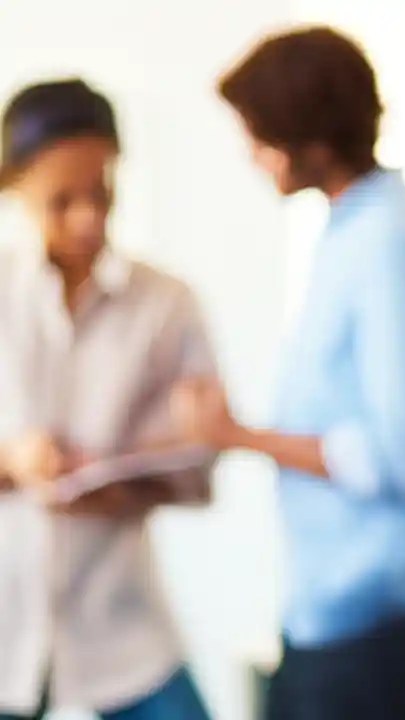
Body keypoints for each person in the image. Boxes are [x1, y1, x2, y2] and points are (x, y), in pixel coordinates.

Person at [170, 26, 405, 720]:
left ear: (313, 138)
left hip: (378, 620)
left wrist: (237, 435)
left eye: (262, 135)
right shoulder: (351, 234)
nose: (252, 153)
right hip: (339, 616)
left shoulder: (391, 245)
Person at [0, 79, 215, 720]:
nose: (88, 218)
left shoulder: (167, 303)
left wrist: (119, 479)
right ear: (12, 187)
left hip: (123, 627)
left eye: (102, 193)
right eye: (61, 200)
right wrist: (14, 462)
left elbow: (197, 456)